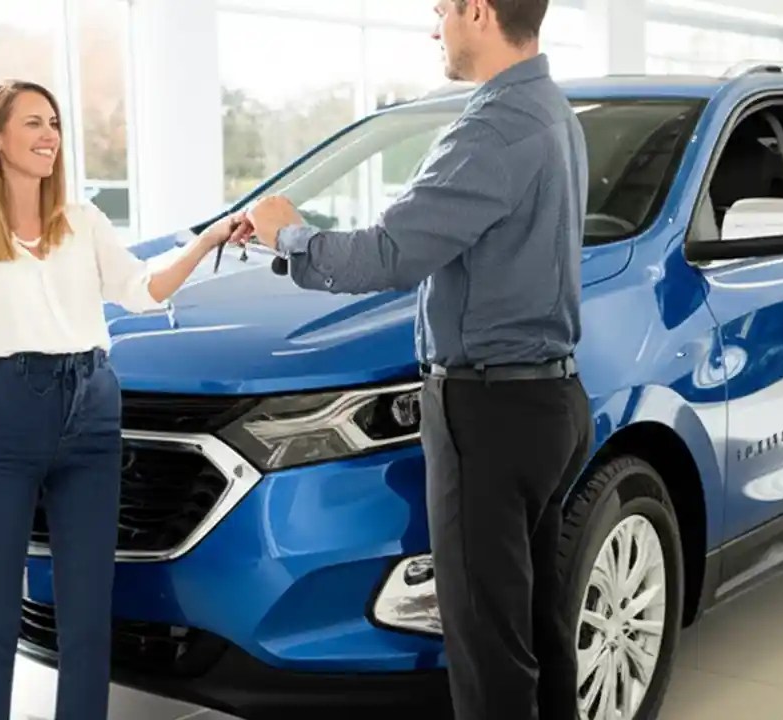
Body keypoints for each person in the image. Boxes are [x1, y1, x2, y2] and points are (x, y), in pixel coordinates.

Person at [230, 1, 592, 718]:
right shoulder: (556, 111)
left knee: (489, 652)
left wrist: (289, 234)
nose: (435, 29)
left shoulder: (494, 126)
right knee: (540, 635)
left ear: (479, 12)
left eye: (440, 10)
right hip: (551, 401)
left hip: (488, 413)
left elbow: (390, 254)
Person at [0, 79, 240, 720]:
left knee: (87, 606)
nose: (50, 136)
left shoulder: (83, 221)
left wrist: (206, 243)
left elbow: (143, 290)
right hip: (5, 416)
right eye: (33, 124)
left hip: (94, 410)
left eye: (54, 123)